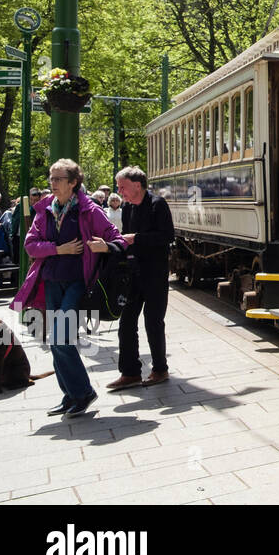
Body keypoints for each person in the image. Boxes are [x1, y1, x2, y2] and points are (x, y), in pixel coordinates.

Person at [10, 159, 124, 418]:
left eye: (58, 179)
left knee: (60, 337)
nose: (53, 183)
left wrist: (104, 246)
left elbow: (115, 238)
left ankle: (82, 392)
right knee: (57, 340)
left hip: (78, 283)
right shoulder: (44, 210)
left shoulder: (90, 210)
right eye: (51, 178)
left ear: (73, 183)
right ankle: (70, 395)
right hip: (51, 282)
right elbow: (31, 246)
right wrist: (57, 249)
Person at [107, 166, 175, 391]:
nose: (119, 191)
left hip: (155, 273)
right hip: (133, 273)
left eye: (122, 186)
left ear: (137, 185)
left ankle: (160, 369)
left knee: (153, 322)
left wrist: (136, 238)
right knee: (126, 323)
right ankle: (130, 372)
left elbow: (167, 236)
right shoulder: (127, 208)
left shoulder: (157, 204)